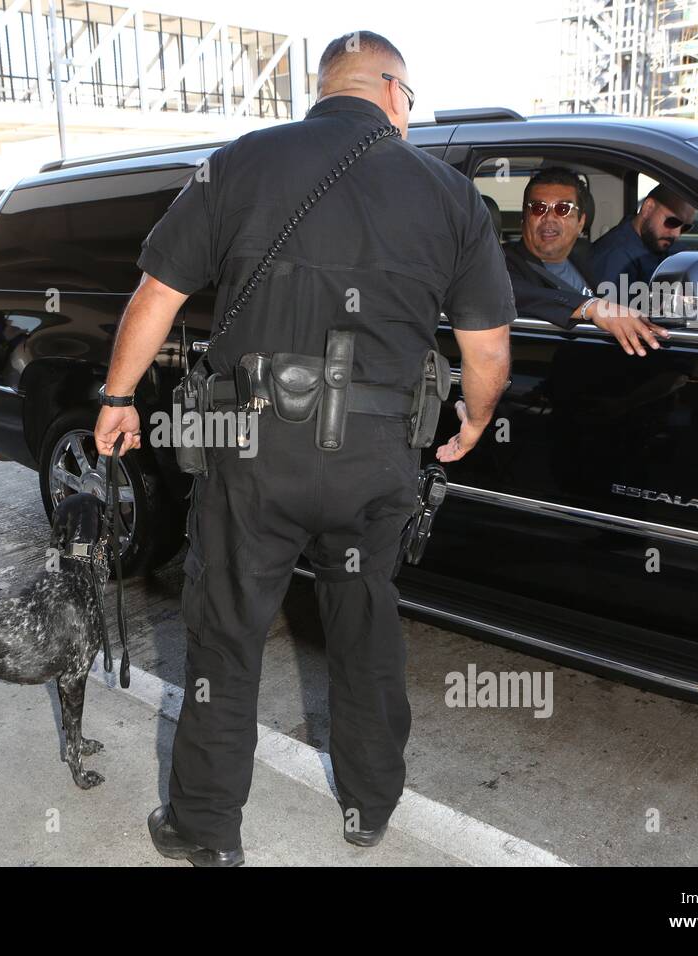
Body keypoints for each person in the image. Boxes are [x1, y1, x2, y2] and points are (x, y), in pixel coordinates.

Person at [92, 31, 513, 866]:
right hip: (377, 457)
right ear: (393, 90)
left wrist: (115, 398)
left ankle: (207, 831)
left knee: (225, 633)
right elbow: (488, 352)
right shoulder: (449, 195)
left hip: (252, 450)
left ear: (325, 89)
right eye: (411, 99)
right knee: (366, 624)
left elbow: (157, 294)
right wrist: (470, 420)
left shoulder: (243, 161)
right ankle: (368, 808)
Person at [503, 167, 668, 358]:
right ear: (524, 218)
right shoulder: (501, 263)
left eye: (562, 209)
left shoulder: (588, 256)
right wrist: (592, 307)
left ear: (581, 222)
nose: (548, 218)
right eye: (539, 208)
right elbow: (514, 292)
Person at [592, 183, 697, 292]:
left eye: (685, 228)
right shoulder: (615, 256)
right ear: (648, 209)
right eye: (672, 222)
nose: (676, 234)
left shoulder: (669, 247)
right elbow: (610, 308)